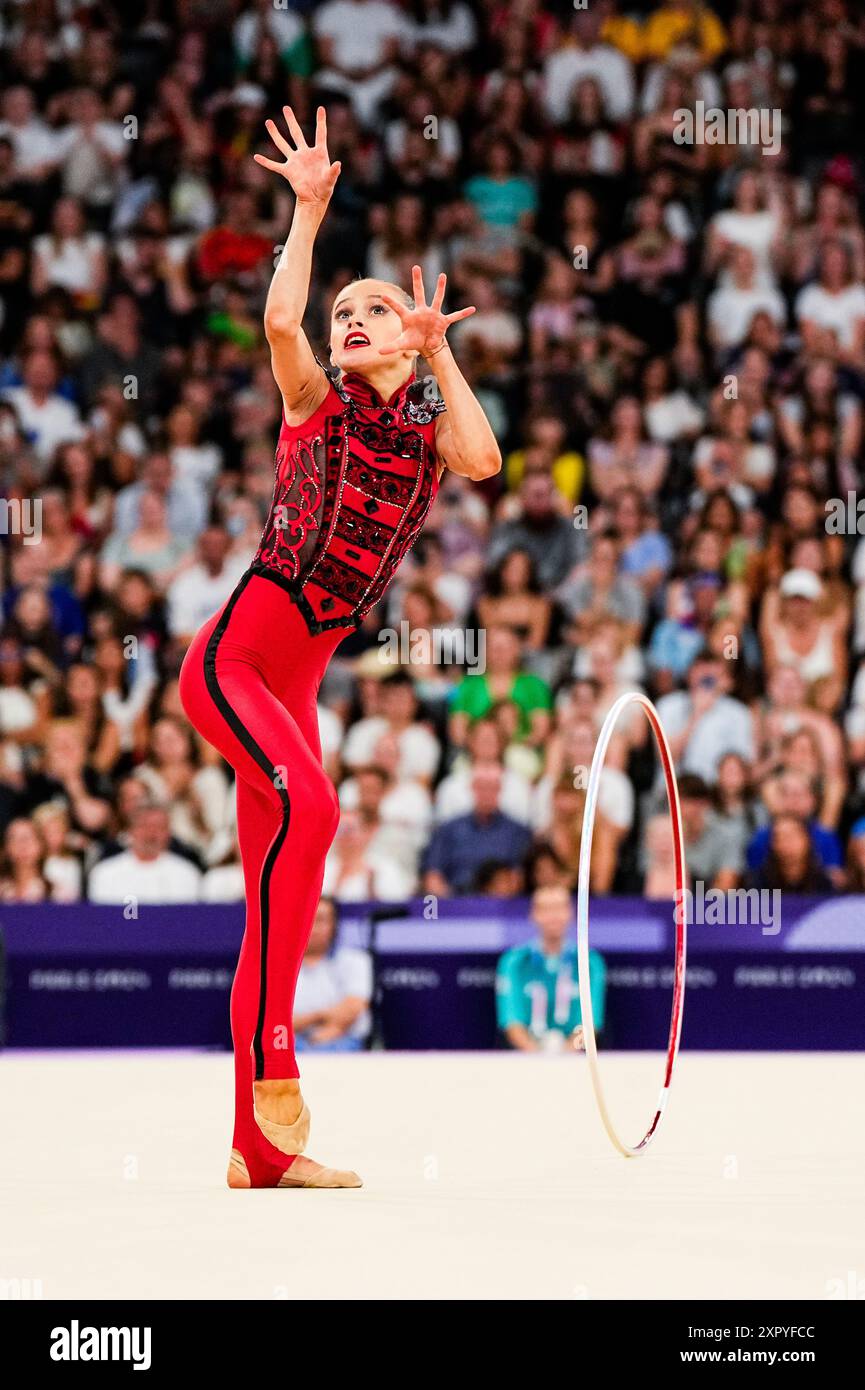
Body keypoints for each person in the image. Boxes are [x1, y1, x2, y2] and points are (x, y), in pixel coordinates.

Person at [179, 106, 500, 1191]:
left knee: (286, 894)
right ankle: (275, 1068)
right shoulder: (314, 403)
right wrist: (307, 213)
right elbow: (278, 323)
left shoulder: (417, 427)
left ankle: (257, 1151)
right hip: (231, 662)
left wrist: (438, 345)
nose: (349, 318)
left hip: (299, 682)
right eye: (344, 311)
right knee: (313, 811)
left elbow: (484, 458)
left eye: (373, 310)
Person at [495, 883, 606, 1052]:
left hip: (573, 1060)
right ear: (533, 914)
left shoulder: (590, 962)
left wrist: (566, 1053)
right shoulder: (514, 962)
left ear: (571, 912)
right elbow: (512, 1021)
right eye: (546, 909)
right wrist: (538, 1057)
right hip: (527, 1060)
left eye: (559, 908)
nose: (553, 916)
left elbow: (589, 1025)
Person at [294, 896, 373, 1053]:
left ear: (334, 925)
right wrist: (320, 1016)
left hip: (343, 1039)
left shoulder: (355, 960)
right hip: (290, 1043)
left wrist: (334, 1029)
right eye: (307, 918)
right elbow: (271, 1024)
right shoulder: (275, 965)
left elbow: (353, 1008)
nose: (313, 927)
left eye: (321, 920)